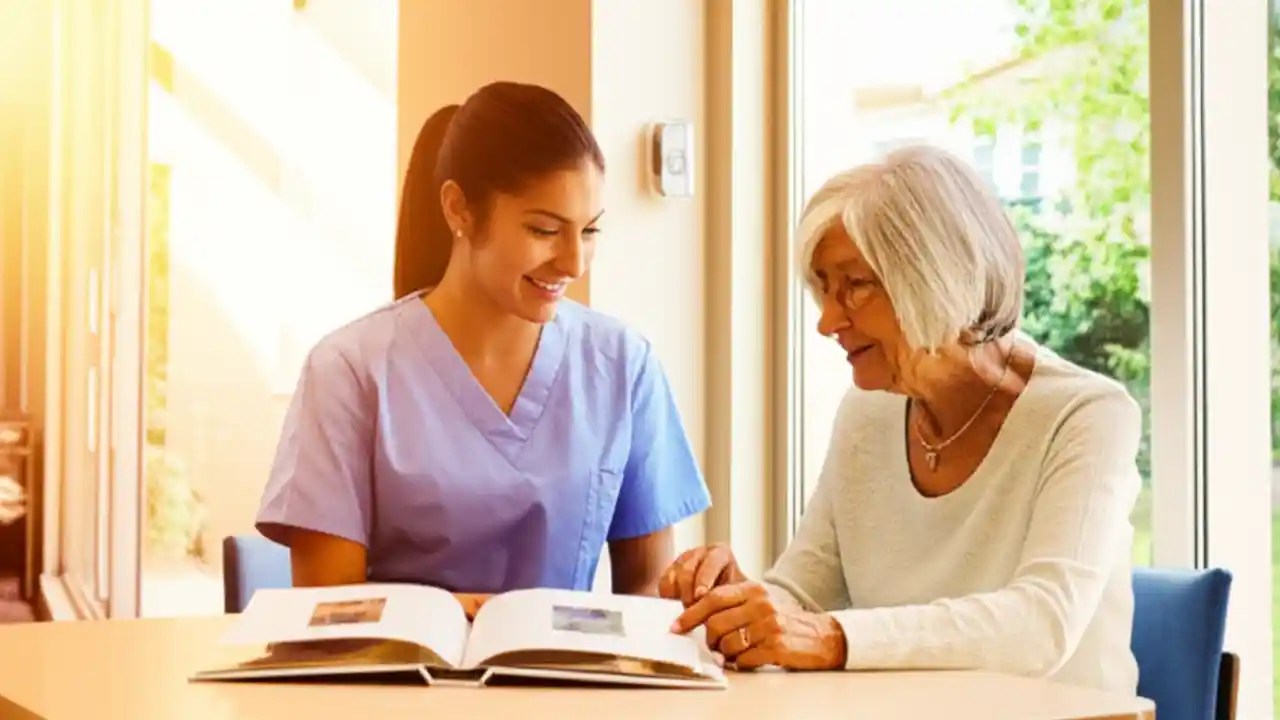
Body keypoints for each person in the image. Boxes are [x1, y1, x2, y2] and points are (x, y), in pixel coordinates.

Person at [661, 145, 1140, 694]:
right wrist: (739, 606)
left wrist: (831, 639)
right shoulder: (868, 410)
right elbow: (806, 594)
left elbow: (1042, 625)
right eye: (823, 288)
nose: (828, 321)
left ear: (936, 274)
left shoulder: (1088, 415)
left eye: (854, 286)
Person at [256, 81, 711, 618]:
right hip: (396, 694)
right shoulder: (350, 371)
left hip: (566, 696)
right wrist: (448, 616)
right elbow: (326, 612)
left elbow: (649, 594)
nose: (573, 263)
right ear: (459, 209)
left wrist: (702, 593)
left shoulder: (623, 366)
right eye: (545, 229)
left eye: (589, 231)